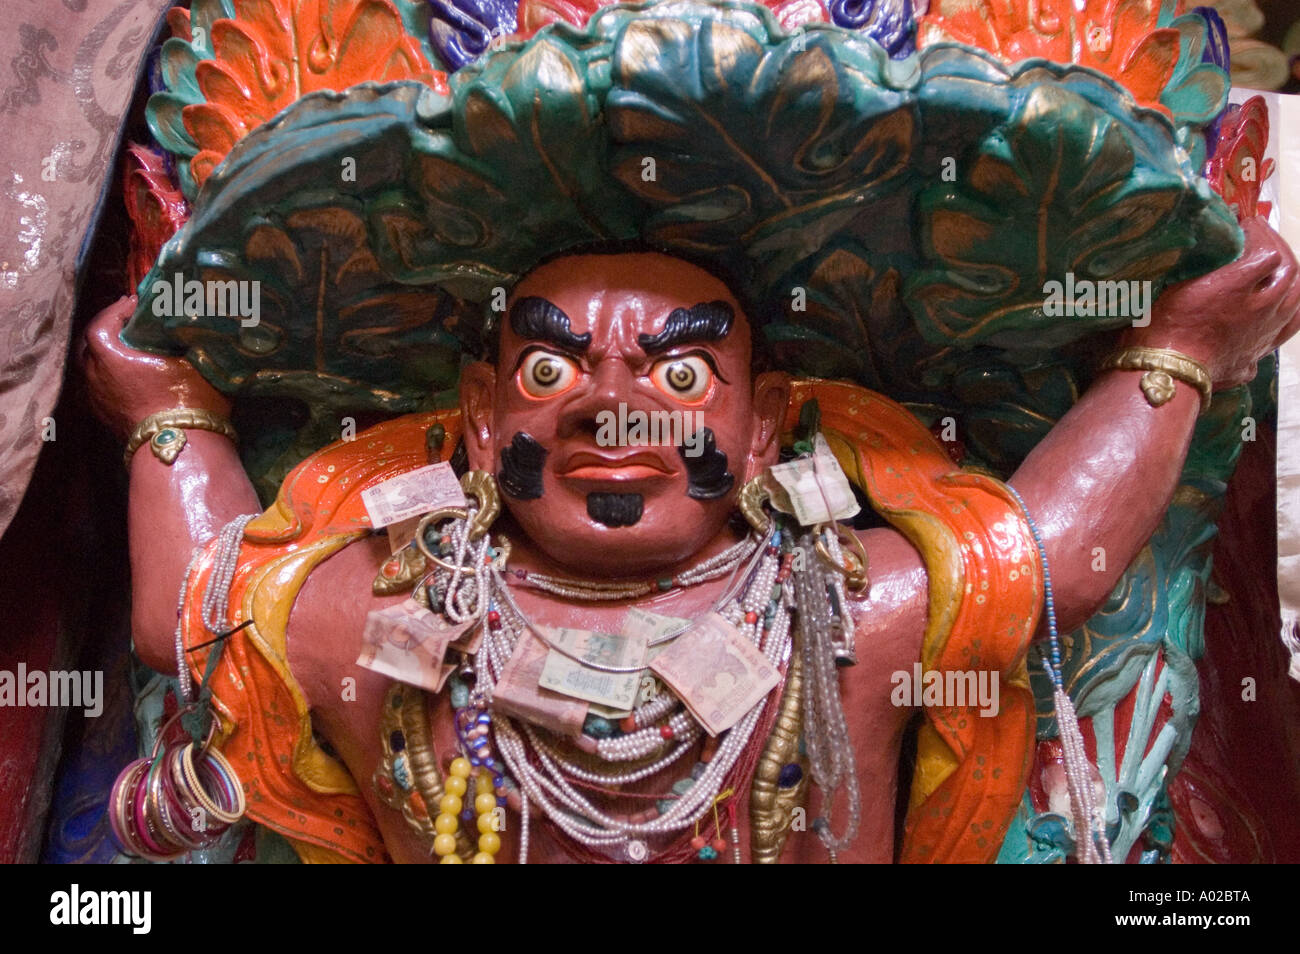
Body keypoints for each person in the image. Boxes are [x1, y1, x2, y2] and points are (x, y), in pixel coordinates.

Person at [82, 217, 1300, 861]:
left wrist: (1175, 354)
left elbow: (1042, 566)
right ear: (480, 416)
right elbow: (195, 610)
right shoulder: (374, 621)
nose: (610, 406)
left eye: (679, 372)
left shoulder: (852, 615)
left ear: (764, 427)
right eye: (550, 366)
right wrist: (166, 414)